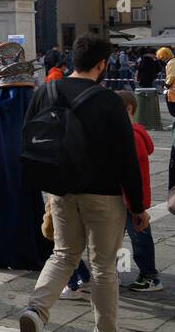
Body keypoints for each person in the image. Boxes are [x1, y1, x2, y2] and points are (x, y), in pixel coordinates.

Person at [19, 34, 149, 332]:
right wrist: (138, 206)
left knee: (63, 254)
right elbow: (126, 159)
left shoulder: (45, 91)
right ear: (103, 64)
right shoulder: (108, 102)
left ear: (72, 59)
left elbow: (28, 136)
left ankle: (36, 310)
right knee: (103, 265)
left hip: (60, 191)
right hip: (102, 195)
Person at [61, 90, 162, 297]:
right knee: (116, 240)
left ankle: (150, 276)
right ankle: (117, 273)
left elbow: (125, 169)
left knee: (138, 238)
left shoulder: (131, 136)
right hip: (129, 197)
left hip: (130, 199)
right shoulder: (132, 133)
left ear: (127, 109)